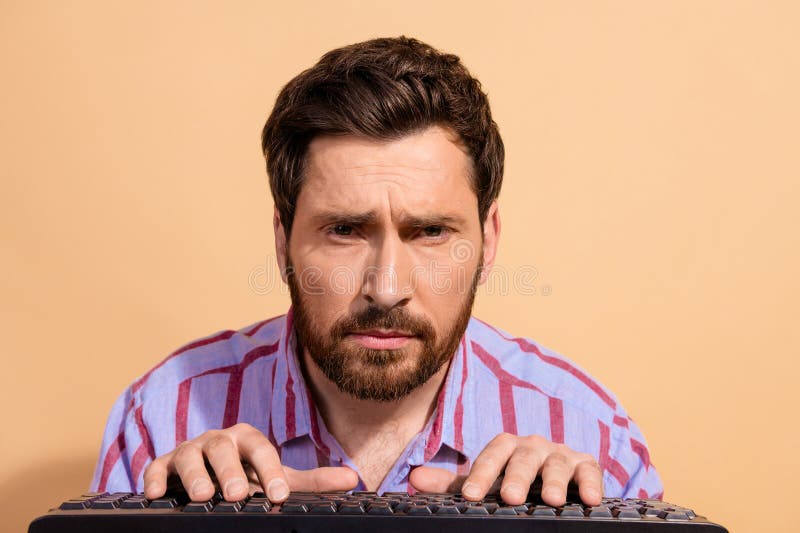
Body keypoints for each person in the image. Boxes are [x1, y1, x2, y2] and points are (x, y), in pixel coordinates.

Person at [90, 36, 663, 508]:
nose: (387, 288)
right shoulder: (158, 421)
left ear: (487, 240)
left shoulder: (596, 437)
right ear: (282, 238)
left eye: (431, 232)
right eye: (343, 230)